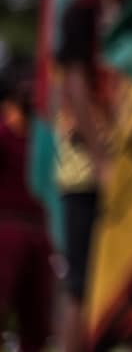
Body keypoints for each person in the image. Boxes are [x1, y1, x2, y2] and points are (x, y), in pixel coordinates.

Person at [53, 0, 132, 352]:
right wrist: (102, 159)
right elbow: (74, 87)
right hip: (83, 167)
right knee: (80, 282)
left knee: (122, 284)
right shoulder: (85, 8)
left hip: (131, 170)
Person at [0, 53, 53, 352]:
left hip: (41, 233)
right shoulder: (4, 132)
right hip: (6, 229)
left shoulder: (44, 135)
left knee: (37, 322)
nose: (31, 90)